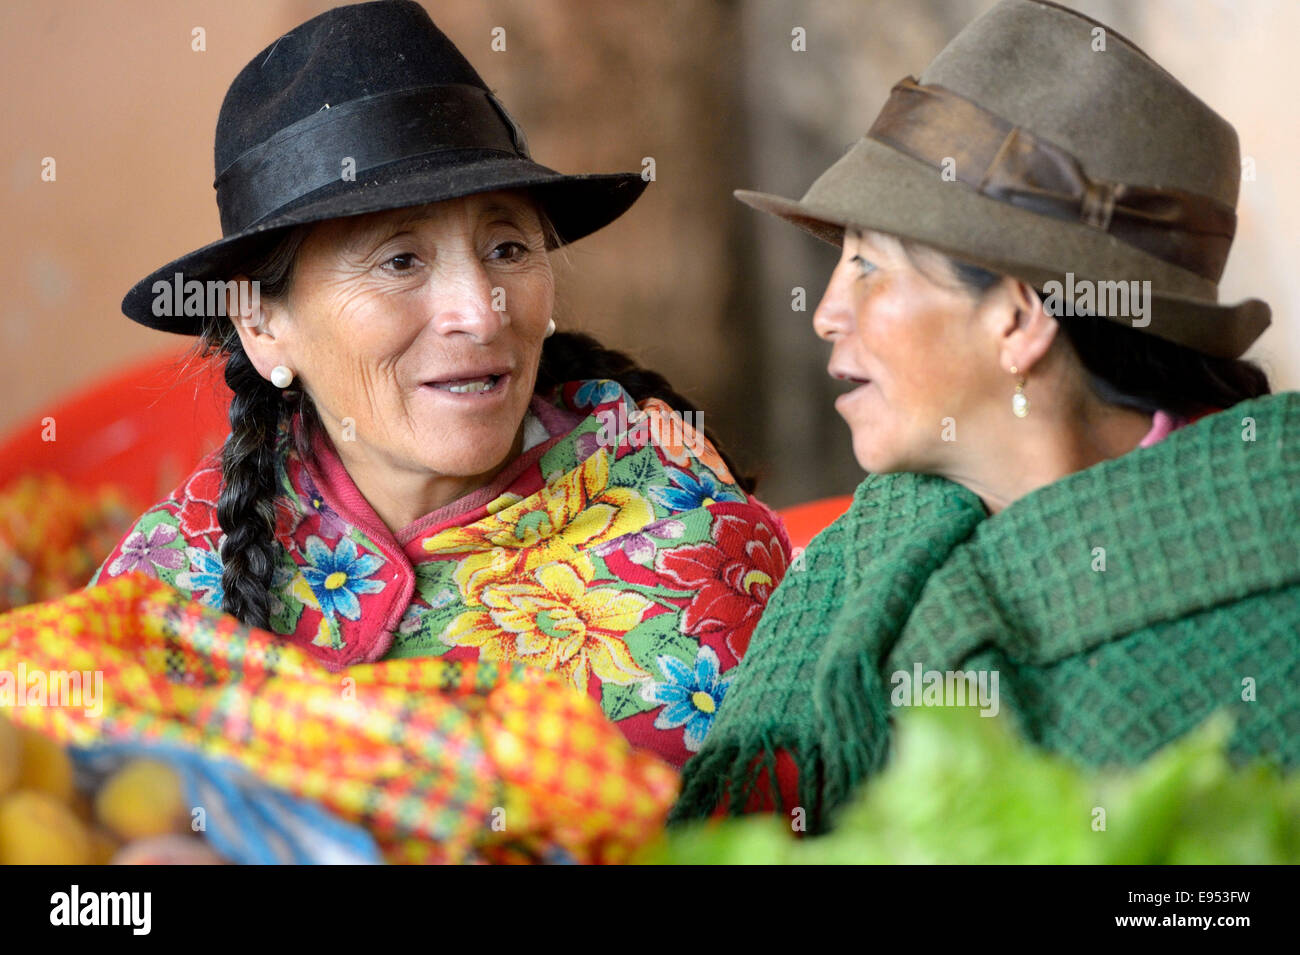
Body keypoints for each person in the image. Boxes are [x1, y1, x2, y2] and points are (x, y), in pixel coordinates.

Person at [92, 0, 790, 770]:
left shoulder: (682, 532)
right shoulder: (167, 580)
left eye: (507, 247)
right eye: (400, 261)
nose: (480, 312)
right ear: (262, 326)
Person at [671, 0, 1299, 830]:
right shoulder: (856, 569)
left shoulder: (1270, 539)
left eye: (868, 268)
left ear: (1017, 317)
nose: (825, 312)